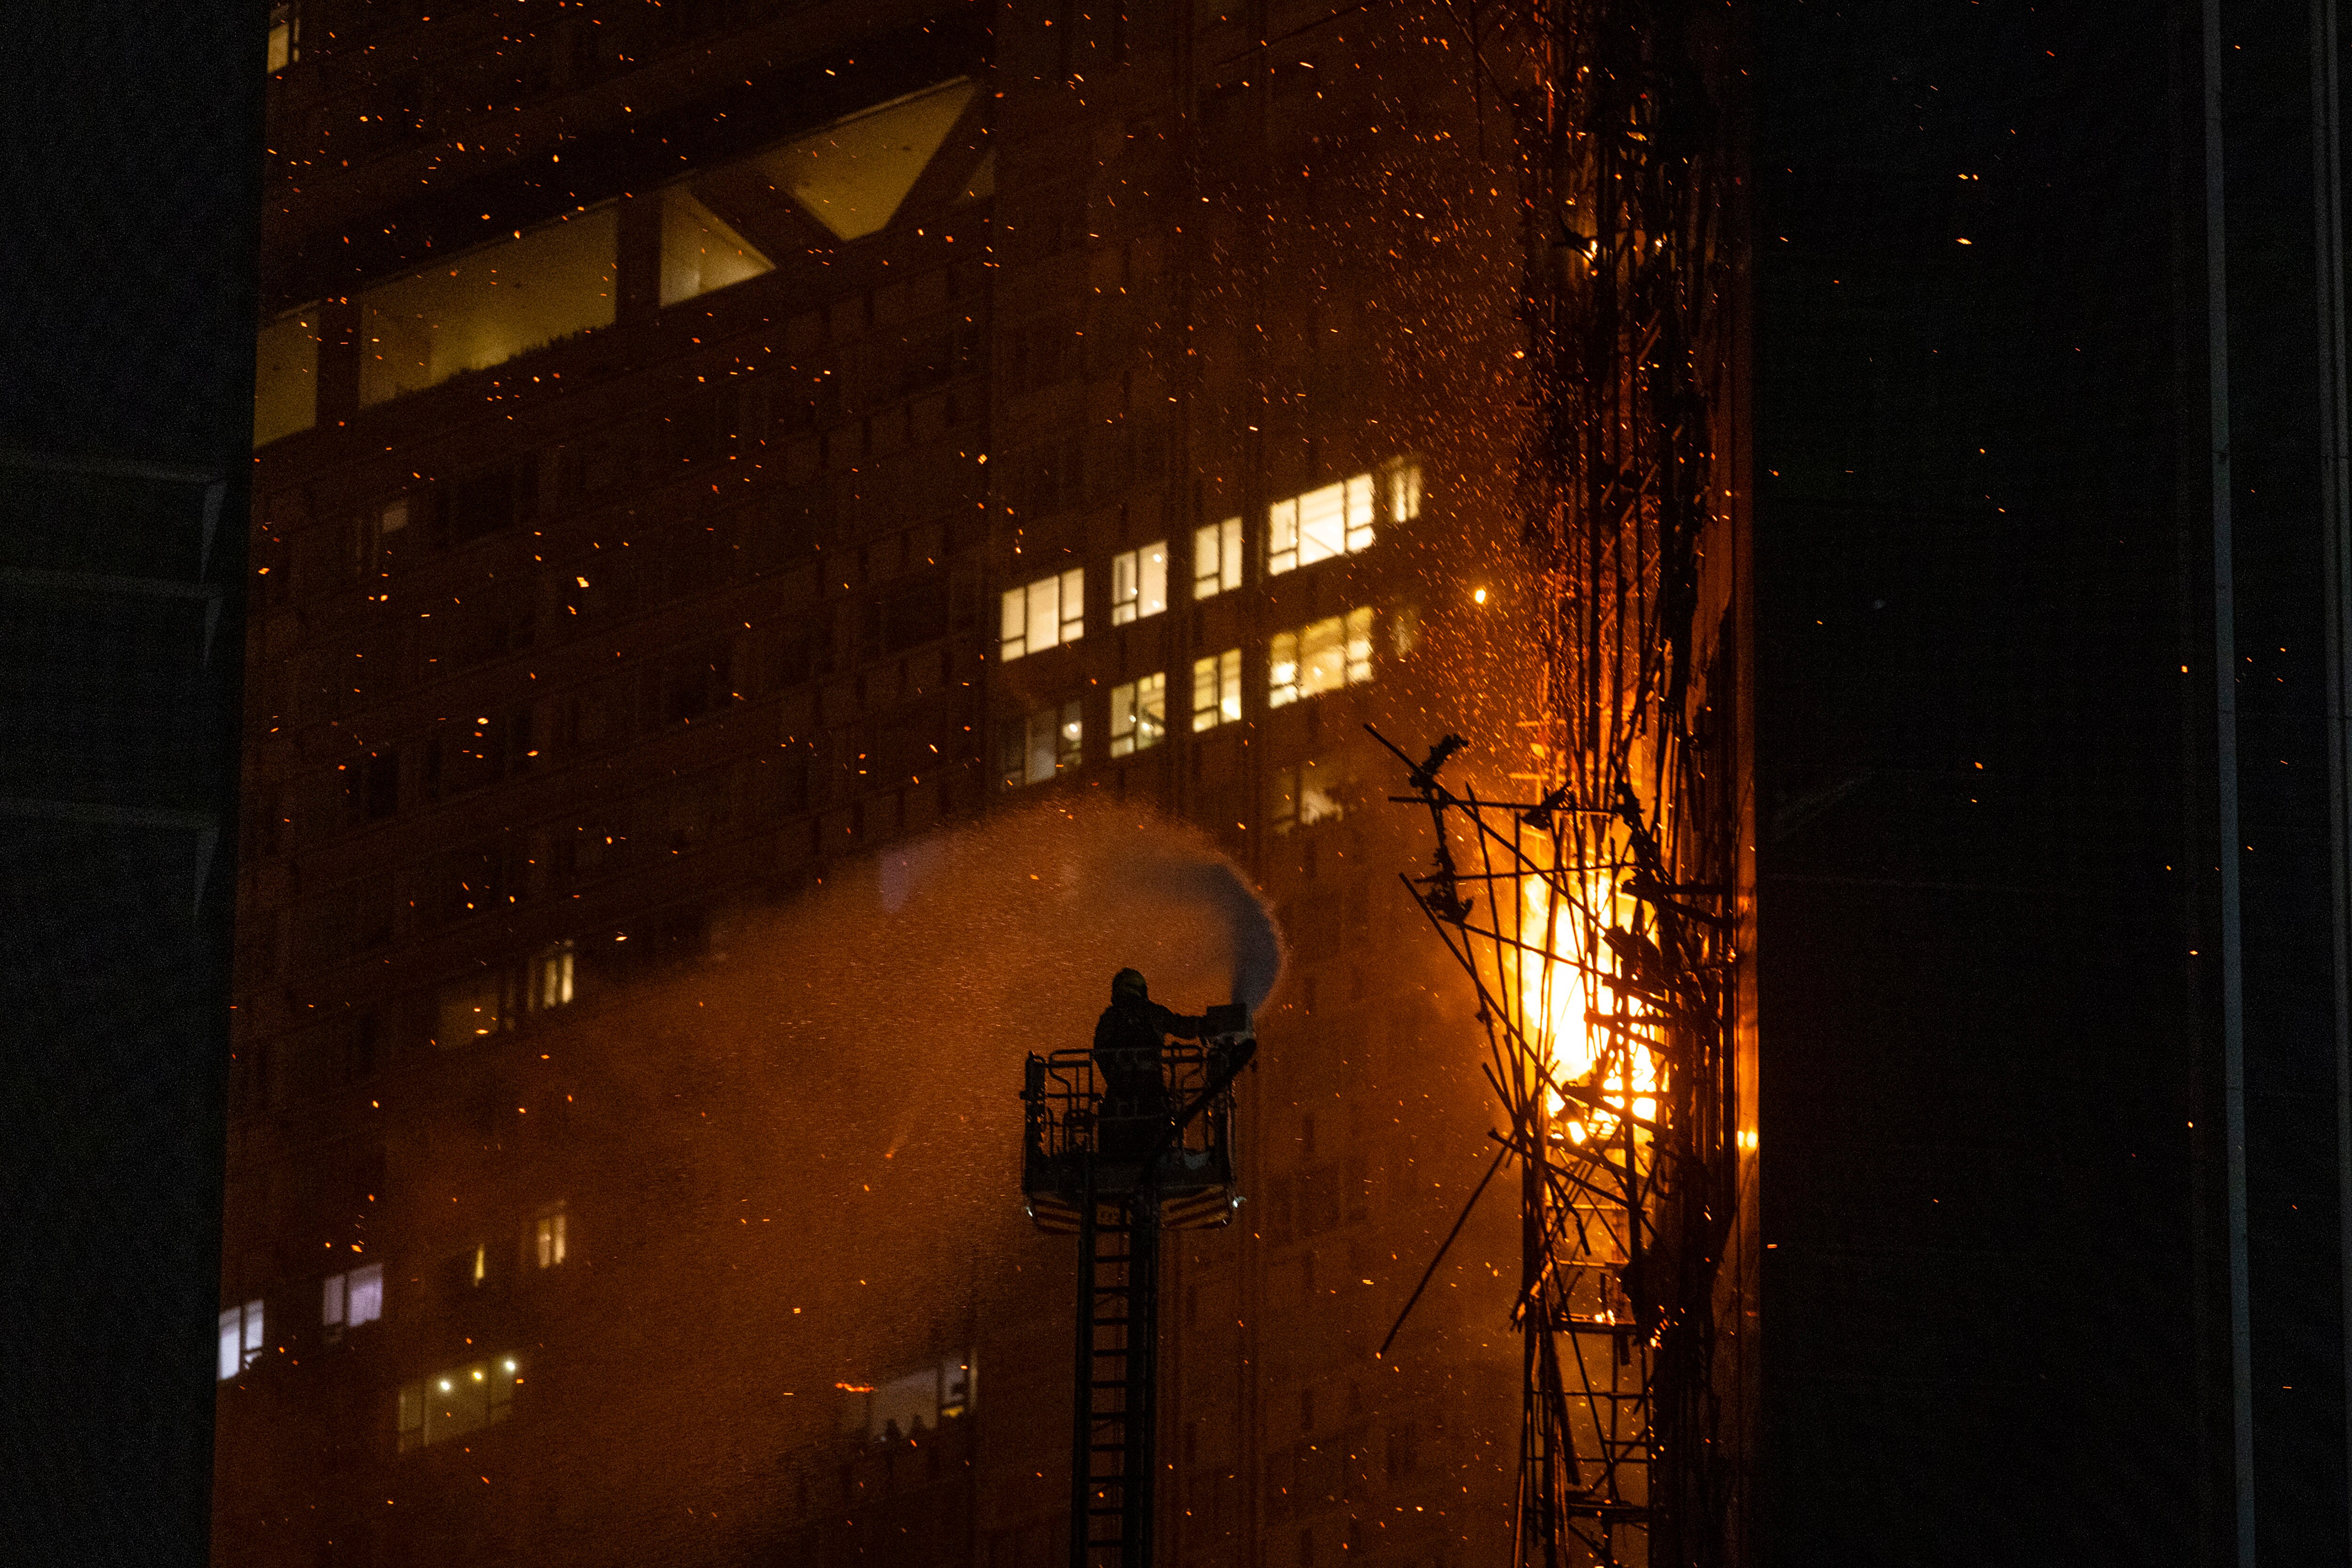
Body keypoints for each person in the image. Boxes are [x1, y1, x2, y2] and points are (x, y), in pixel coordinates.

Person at [1091, 968, 1209, 1121]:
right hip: (1152, 1098)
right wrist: (1205, 1024)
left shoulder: (1108, 1019)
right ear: (1141, 990)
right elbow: (1182, 1027)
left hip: (1118, 1102)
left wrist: (1117, 1081)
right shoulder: (1154, 1013)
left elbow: (1099, 1054)